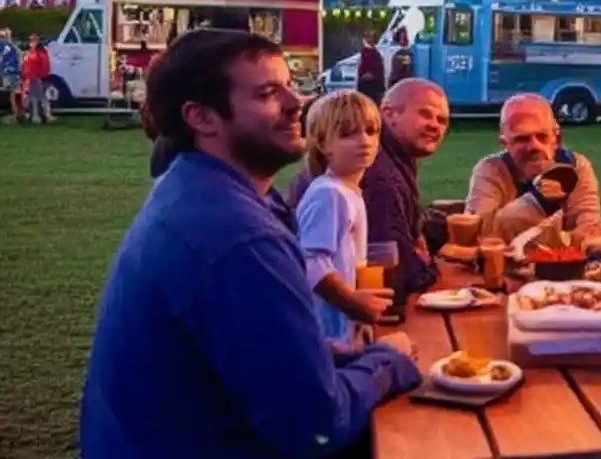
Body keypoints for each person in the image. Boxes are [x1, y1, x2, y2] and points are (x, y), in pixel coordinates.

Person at [80, 29, 422, 459]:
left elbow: (229, 357)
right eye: (267, 93)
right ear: (202, 117)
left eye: (290, 85)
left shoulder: (191, 190)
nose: (298, 103)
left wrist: (324, 354)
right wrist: (387, 362)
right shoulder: (238, 237)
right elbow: (314, 425)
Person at [292, 78, 451, 307]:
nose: (435, 125)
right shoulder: (357, 186)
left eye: (371, 131)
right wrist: (352, 303)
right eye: (425, 114)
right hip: (330, 326)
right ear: (389, 114)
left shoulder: (353, 182)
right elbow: (399, 272)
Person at [296, 90, 394, 346]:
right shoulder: (330, 194)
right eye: (348, 133)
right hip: (328, 335)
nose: (364, 141)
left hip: (345, 328)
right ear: (322, 143)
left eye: (371, 131)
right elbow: (310, 261)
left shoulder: (346, 191)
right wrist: (351, 303)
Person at [466, 93, 601, 242]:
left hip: (562, 264)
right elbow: (476, 235)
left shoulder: (576, 167)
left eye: (542, 136)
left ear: (556, 139)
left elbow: (591, 230)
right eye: (522, 139)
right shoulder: (490, 170)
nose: (534, 146)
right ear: (505, 144)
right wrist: (537, 201)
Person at [21, 33, 53, 124]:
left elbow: (45, 65)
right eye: (31, 41)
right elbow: (25, 65)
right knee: (33, 98)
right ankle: (36, 116)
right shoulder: (28, 53)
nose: (32, 43)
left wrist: (42, 76)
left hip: (39, 77)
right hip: (31, 78)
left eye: (34, 41)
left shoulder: (40, 53)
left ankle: (45, 115)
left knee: (42, 97)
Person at [356, 29, 386, 104]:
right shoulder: (367, 53)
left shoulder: (372, 54)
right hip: (367, 88)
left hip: (372, 89)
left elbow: (375, 73)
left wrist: (369, 76)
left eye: (370, 37)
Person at [0, 28, 22, 124]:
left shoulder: (3, 44)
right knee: (15, 93)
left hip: (8, 72)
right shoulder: (12, 46)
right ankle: (19, 114)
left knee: (12, 95)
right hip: (14, 72)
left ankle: (16, 116)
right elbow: (19, 55)